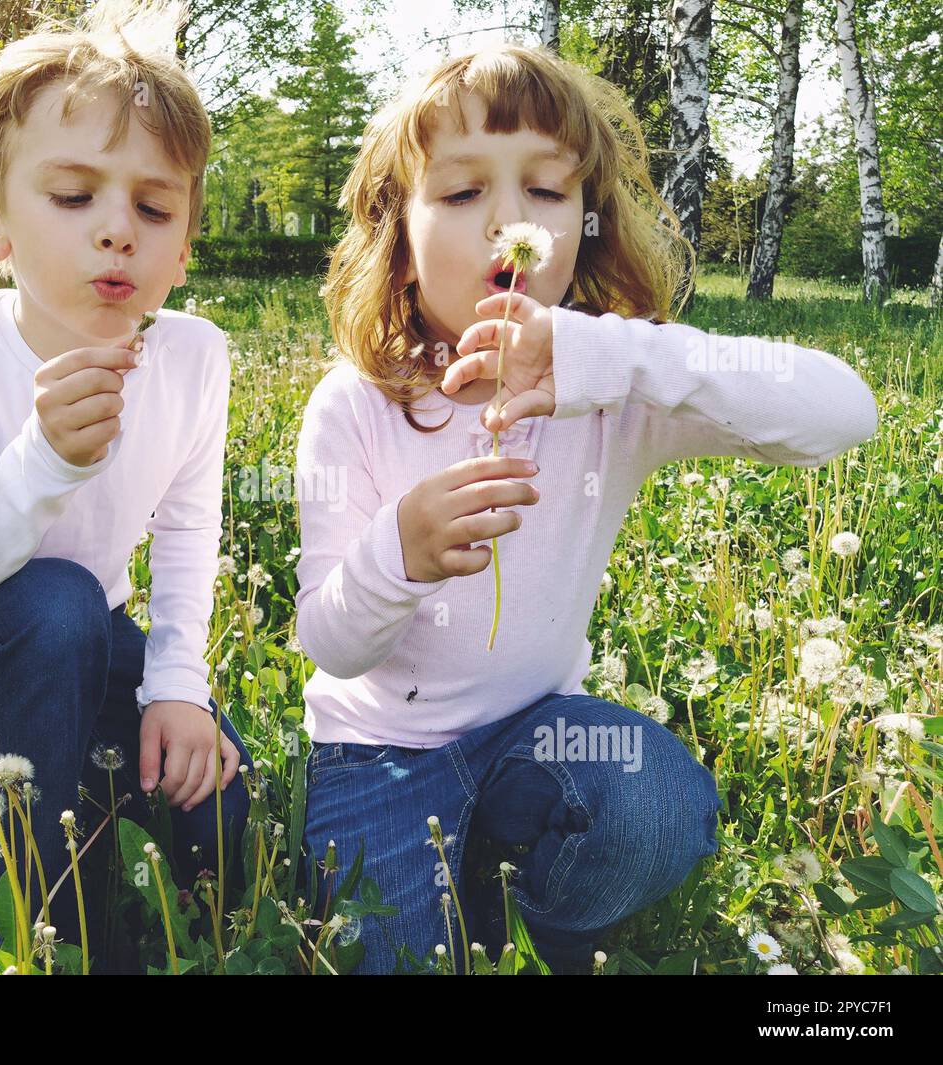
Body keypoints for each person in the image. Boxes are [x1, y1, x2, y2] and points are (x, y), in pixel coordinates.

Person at [294, 43, 878, 974]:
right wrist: (395, 554)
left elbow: (845, 409)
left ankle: (540, 922)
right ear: (397, 239)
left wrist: (617, 357)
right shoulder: (356, 404)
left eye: (548, 192)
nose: (509, 223)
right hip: (381, 754)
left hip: (537, 730)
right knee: (392, 962)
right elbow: (330, 640)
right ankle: (467, 889)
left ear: (587, 227)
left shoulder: (607, 390)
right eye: (459, 194)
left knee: (658, 804)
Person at [0, 0, 250, 955]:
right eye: (73, 197)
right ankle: (18, 916)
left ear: (184, 246)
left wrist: (178, 686)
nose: (118, 231)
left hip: (82, 641)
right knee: (59, 603)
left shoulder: (194, 358)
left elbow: (188, 532)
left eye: (153, 208)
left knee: (219, 826)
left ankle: (103, 804)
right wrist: (43, 464)